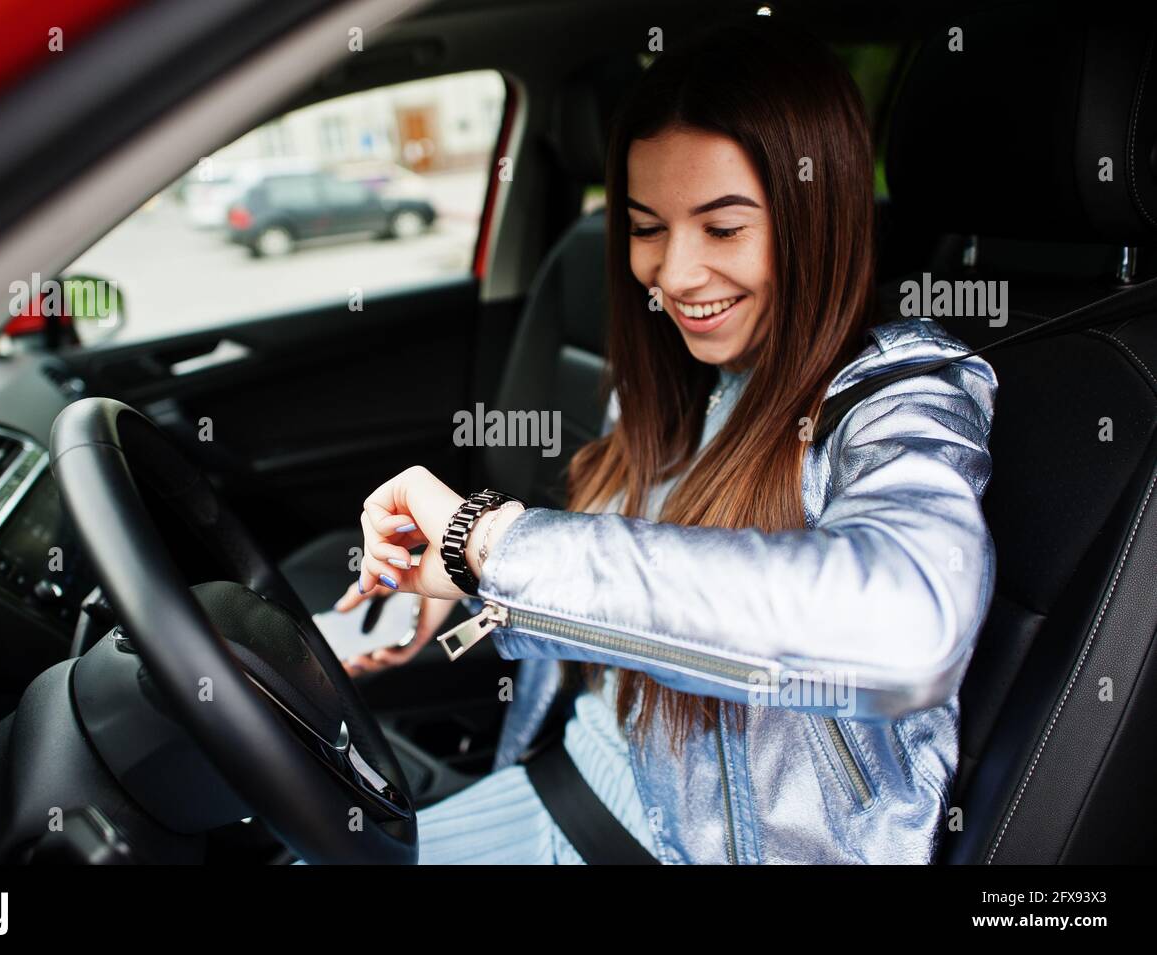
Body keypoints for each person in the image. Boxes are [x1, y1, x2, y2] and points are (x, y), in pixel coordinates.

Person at [330, 18, 997, 864]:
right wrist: (466, 586)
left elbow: (910, 627)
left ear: (815, 214)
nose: (675, 276)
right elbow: (623, 587)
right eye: (646, 227)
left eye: (723, 229)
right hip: (559, 789)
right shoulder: (671, 372)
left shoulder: (901, 395)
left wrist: (492, 546)